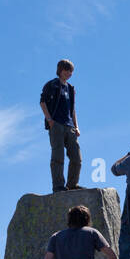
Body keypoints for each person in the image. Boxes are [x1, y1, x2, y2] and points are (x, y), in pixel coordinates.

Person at [40, 59, 80, 192]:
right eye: (67, 70)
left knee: (76, 157)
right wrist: (50, 120)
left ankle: (72, 184)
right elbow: (42, 102)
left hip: (70, 126)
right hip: (56, 125)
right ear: (60, 70)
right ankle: (58, 186)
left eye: (71, 71)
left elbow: (72, 109)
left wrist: (76, 126)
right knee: (58, 157)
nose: (69, 73)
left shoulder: (71, 88)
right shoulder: (52, 85)